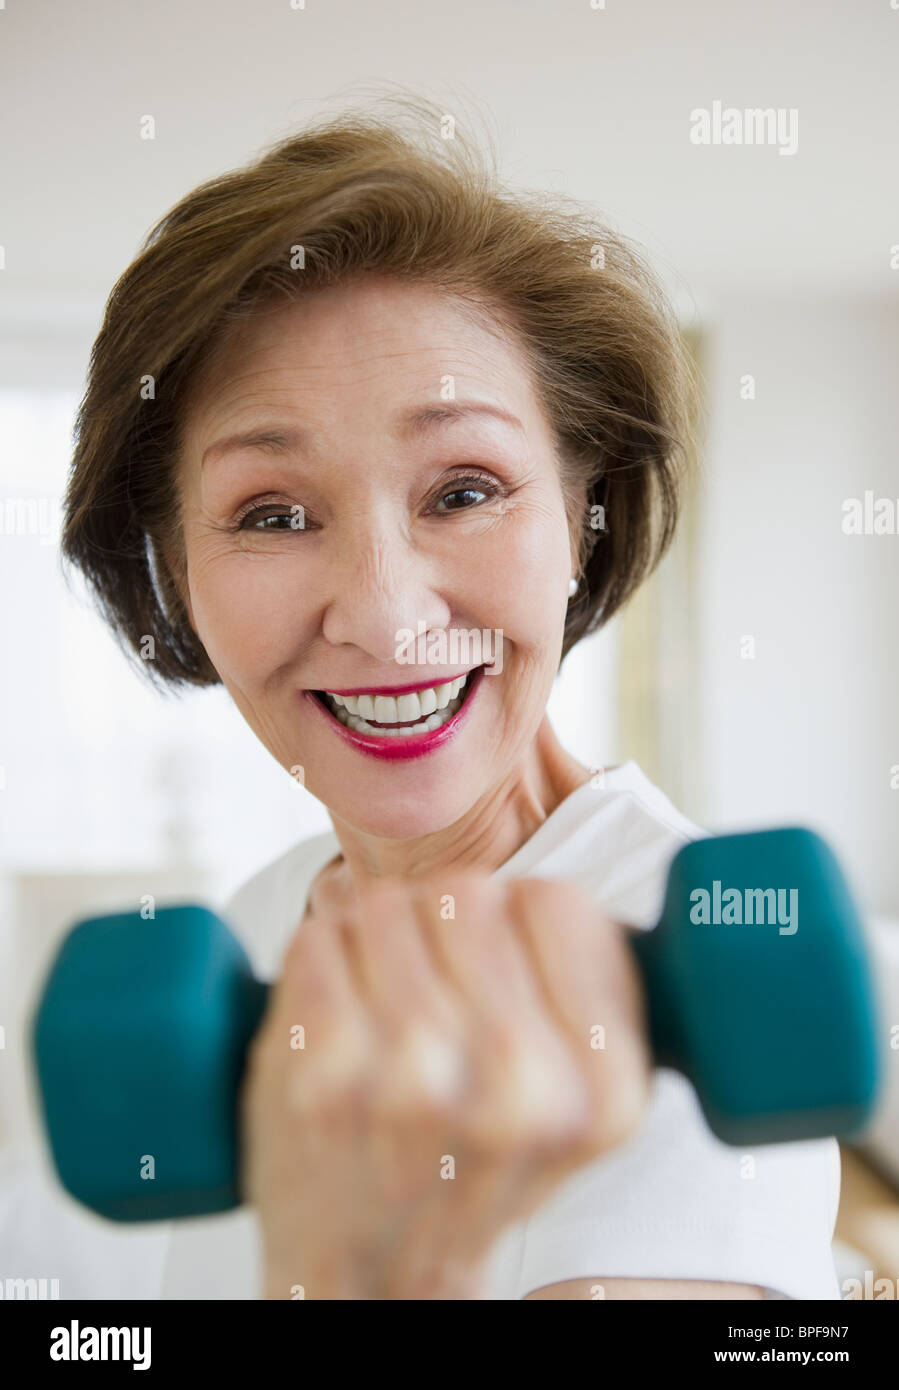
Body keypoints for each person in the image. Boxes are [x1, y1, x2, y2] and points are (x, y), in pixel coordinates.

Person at [2, 94, 840, 1299]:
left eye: (463, 490)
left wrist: (361, 1267)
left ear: (578, 522)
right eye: (273, 514)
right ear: (176, 575)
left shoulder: (694, 1002)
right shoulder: (250, 926)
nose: (387, 617)